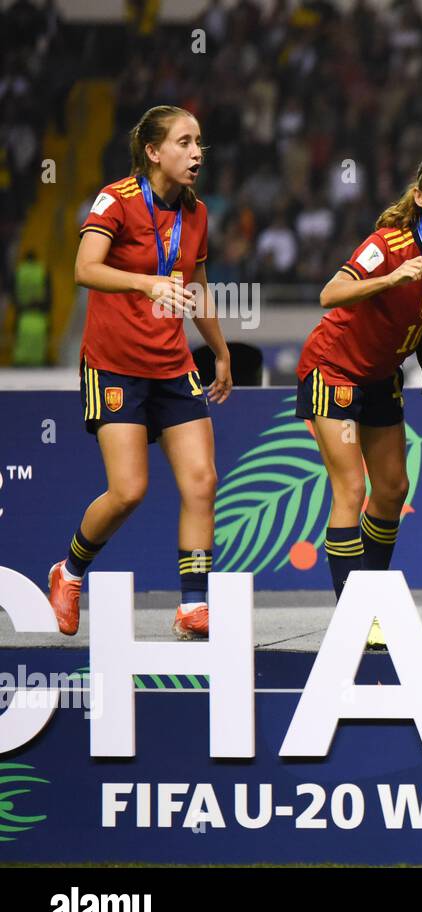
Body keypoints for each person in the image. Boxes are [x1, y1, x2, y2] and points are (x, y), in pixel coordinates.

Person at [47, 105, 232, 639]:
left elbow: (196, 285)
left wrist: (218, 350)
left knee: (202, 480)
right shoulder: (117, 199)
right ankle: (70, 570)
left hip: (173, 366)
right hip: (115, 366)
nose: (197, 152)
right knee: (128, 490)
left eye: (200, 142)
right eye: (184, 142)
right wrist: (144, 283)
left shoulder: (195, 214)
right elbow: (85, 269)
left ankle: (193, 605)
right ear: (153, 151)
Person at [296, 153, 422, 649]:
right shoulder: (389, 244)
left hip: (380, 377)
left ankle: (370, 597)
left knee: (393, 488)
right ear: (418, 197)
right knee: (351, 488)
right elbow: (331, 294)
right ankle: (354, 614)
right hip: (333, 370)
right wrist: (393, 278)